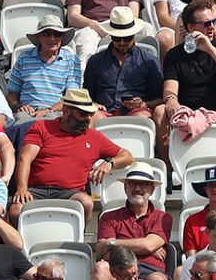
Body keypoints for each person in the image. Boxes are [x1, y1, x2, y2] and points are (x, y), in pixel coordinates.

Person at [9, 88, 133, 222]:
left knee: (86, 202)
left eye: (91, 114)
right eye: (83, 114)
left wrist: (110, 162)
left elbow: (127, 156)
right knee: (16, 210)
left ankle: (78, 240)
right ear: (67, 111)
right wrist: (22, 188)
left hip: (71, 193)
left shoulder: (94, 137)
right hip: (36, 190)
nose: (88, 118)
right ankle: (17, 243)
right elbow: (25, 158)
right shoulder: (41, 127)